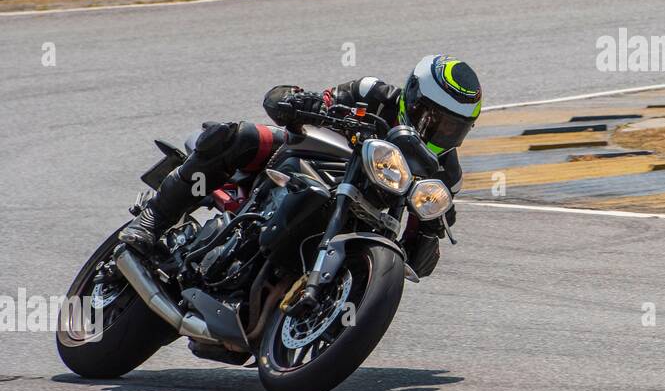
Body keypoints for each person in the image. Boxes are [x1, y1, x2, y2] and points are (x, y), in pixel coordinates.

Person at [118, 54, 481, 275]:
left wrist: (431, 230)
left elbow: (417, 259)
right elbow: (300, 98)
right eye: (434, 119)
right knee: (242, 136)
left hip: (361, 215)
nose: (441, 133)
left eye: (454, 128)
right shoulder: (374, 94)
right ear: (413, 97)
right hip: (307, 161)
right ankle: (153, 219)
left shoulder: (445, 175)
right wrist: (300, 102)